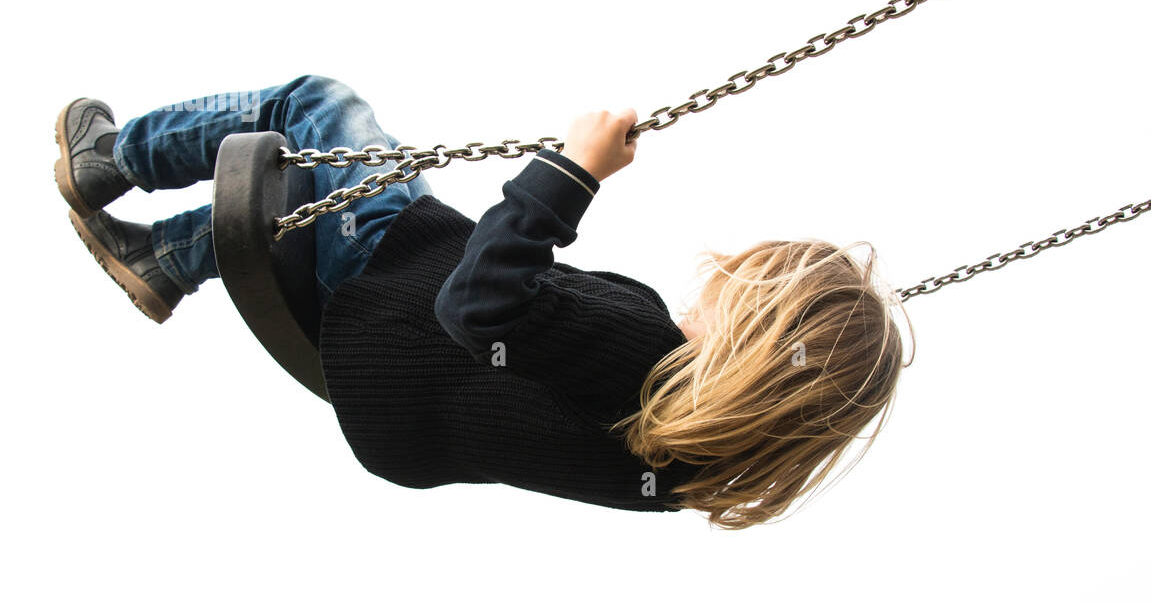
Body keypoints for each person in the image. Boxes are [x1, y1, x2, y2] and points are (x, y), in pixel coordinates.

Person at [54, 75, 910, 528]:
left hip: (392, 304)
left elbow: (479, 306)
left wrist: (571, 173)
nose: (706, 291)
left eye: (731, 292)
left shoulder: (650, 355)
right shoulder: (689, 474)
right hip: (387, 386)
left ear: (756, 336)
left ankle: (111, 160)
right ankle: (162, 256)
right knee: (296, 219)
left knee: (314, 107)